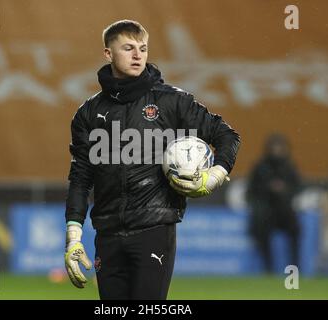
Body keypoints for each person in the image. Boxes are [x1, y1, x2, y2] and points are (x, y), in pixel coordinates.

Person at [64, 20, 240, 300]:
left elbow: (227, 136)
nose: (137, 55)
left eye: (143, 48)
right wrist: (73, 237)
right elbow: (80, 178)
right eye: (128, 48)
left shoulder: (172, 102)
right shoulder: (88, 113)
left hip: (153, 230)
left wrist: (215, 175)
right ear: (108, 54)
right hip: (107, 234)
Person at [246, 133, 301, 274]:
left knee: (296, 228)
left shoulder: (289, 167)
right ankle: (268, 268)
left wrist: (284, 190)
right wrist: (268, 188)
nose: (277, 150)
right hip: (266, 212)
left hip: (284, 211)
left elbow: (298, 188)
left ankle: (294, 268)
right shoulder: (260, 167)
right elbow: (251, 191)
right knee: (260, 228)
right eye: (274, 147)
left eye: (279, 147)